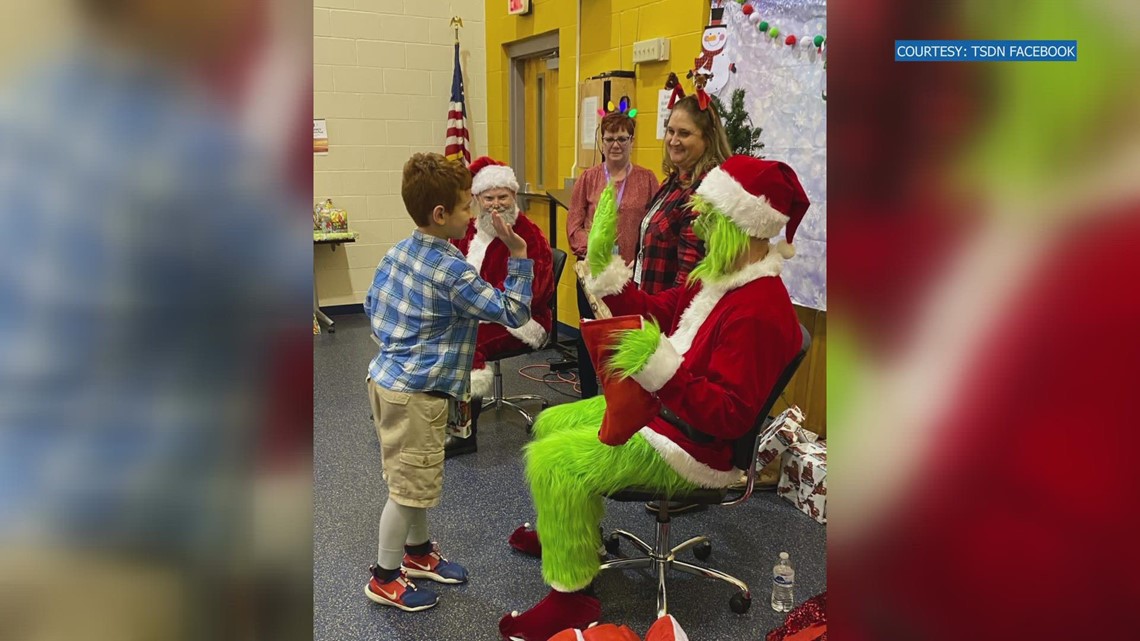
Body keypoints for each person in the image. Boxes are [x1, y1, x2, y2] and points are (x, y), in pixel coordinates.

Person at [498, 155, 809, 640]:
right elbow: (657, 313)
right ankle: (569, 533)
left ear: (740, 224)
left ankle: (570, 601)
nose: (700, 227)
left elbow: (728, 416)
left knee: (553, 463)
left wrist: (661, 371)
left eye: (709, 217)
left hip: (692, 446)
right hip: (665, 410)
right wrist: (609, 275)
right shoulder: (716, 280)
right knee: (550, 423)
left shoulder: (761, 310)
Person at [363, 152, 534, 612]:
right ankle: (383, 577)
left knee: (413, 479)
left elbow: (370, 307)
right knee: (404, 491)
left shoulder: (398, 251)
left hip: (387, 383)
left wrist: (402, 344)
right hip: (416, 397)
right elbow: (515, 312)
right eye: (466, 206)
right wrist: (518, 255)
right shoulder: (453, 271)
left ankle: (417, 555)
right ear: (441, 215)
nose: (474, 213)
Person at [446, 156, 554, 457]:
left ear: (514, 196)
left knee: (468, 342)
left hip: (521, 320)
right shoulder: (468, 230)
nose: (496, 205)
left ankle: (465, 433)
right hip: (475, 312)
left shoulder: (528, 235)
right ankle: (442, 412)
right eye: (488, 198)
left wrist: (482, 309)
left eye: (502, 197)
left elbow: (538, 293)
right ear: (477, 199)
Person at [567, 111, 659, 398]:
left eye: (622, 138)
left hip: (629, 274)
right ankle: (588, 396)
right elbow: (574, 224)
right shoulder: (589, 179)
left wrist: (640, 259)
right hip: (592, 275)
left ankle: (624, 399)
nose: (616, 144)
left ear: (632, 141)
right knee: (590, 338)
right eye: (610, 139)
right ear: (601, 143)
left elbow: (654, 225)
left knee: (627, 336)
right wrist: (594, 253)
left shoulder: (647, 179)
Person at [632, 93, 732, 295]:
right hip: (651, 306)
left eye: (684, 134)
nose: (673, 140)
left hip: (671, 318)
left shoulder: (703, 194)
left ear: (708, 139)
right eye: (670, 131)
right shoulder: (674, 182)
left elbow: (688, 282)